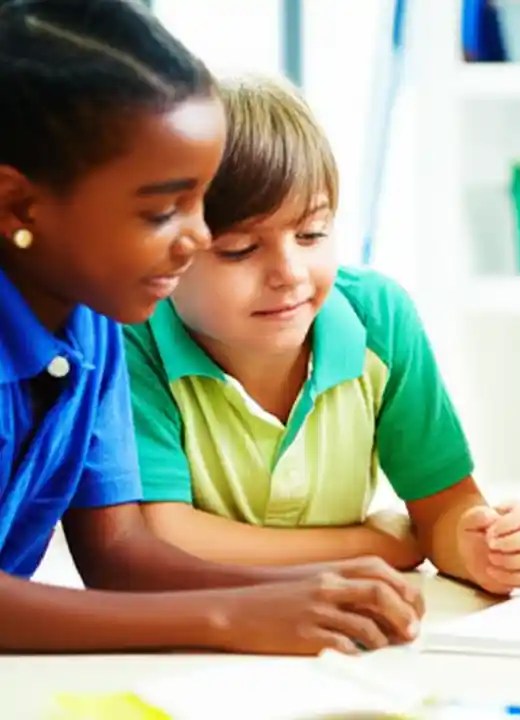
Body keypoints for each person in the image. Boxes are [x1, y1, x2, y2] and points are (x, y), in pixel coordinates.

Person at [0, 0, 421, 655]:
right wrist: (227, 617)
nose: (197, 236)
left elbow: (119, 554)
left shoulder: (93, 324)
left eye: (201, 204)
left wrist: (308, 592)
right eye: (163, 212)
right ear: (19, 205)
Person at [125, 75, 520, 597]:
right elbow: (161, 538)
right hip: (196, 637)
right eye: (239, 249)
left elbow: (443, 511)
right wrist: (373, 544)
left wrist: (482, 545)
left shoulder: (379, 319)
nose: (290, 272)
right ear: (167, 250)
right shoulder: (133, 338)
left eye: (311, 234)